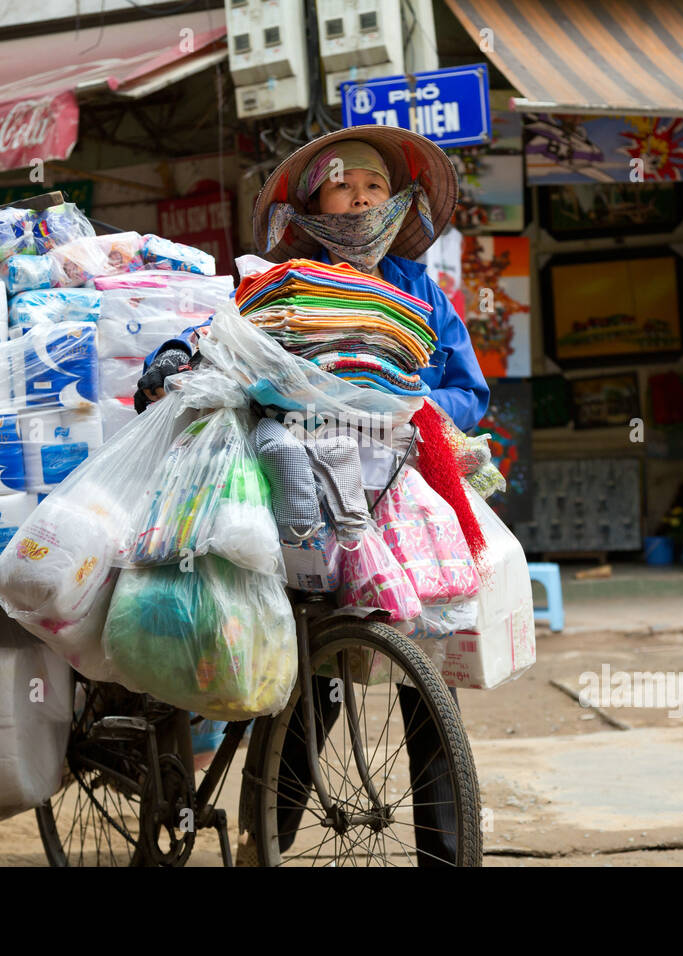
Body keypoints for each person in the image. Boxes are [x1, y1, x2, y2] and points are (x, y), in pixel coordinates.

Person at [136, 127, 489, 865]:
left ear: (398, 204)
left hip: (397, 490)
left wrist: (404, 406)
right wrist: (172, 357)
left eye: (374, 189)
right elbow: (226, 337)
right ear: (315, 202)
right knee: (316, 679)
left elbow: (466, 393)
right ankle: (269, 836)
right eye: (343, 186)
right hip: (306, 492)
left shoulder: (421, 290)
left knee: (424, 675)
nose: (360, 201)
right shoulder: (287, 277)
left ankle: (446, 856)